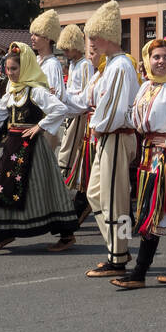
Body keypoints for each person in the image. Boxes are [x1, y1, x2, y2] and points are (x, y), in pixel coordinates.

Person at [0, 43, 77, 257]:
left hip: (33, 148)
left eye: (14, 69)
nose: (10, 73)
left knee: (43, 190)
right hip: (12, 146)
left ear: (24, 67)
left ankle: (66, 235)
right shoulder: (11, 92)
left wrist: (40, 126)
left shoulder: (36, 90)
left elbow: (60, 108)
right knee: (1, 187)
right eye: (7, 69)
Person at [111, 37, 166, 289]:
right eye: (156, 57)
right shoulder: (146, 86)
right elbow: (135, 116)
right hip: (149, 152)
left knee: (155, 210)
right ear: (148, 60)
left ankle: (139, 272)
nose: (161, 62)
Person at [80, 0, 140, 278]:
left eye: (93, 36)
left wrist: (96, 124)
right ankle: (119, 247)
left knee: (116, 200)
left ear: (105, 37)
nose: (91, 42)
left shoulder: (119, 66)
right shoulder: (113, 65)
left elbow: (114, 110)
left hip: (115, 136)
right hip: (108, 136)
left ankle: (118, 255)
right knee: (96, 194)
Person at [55, 23, 94, 222]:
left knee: (68, 156)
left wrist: (67, 98)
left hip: (80, 115)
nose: (65, 52)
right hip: (71, 112)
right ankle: (73, 197)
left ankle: (68, 198)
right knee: (68, 154)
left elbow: (87, 94)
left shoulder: (86, 64)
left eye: (67, 48)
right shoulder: (73, 64)